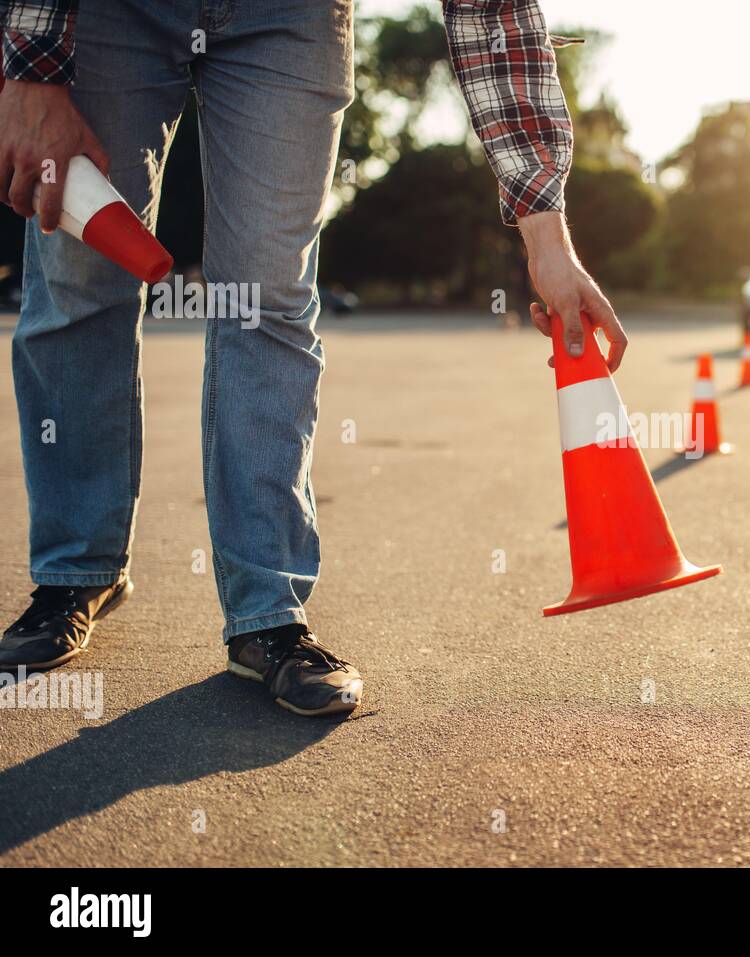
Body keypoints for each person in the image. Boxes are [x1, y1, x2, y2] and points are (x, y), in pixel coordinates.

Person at [0, 0, 627, 716]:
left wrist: (549, 241)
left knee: (266, 298)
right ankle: (76, 570)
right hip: (107, 14)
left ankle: (267, 613)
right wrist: (31, 70)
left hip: (289, 17)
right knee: (78, 278)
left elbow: (491, 12)